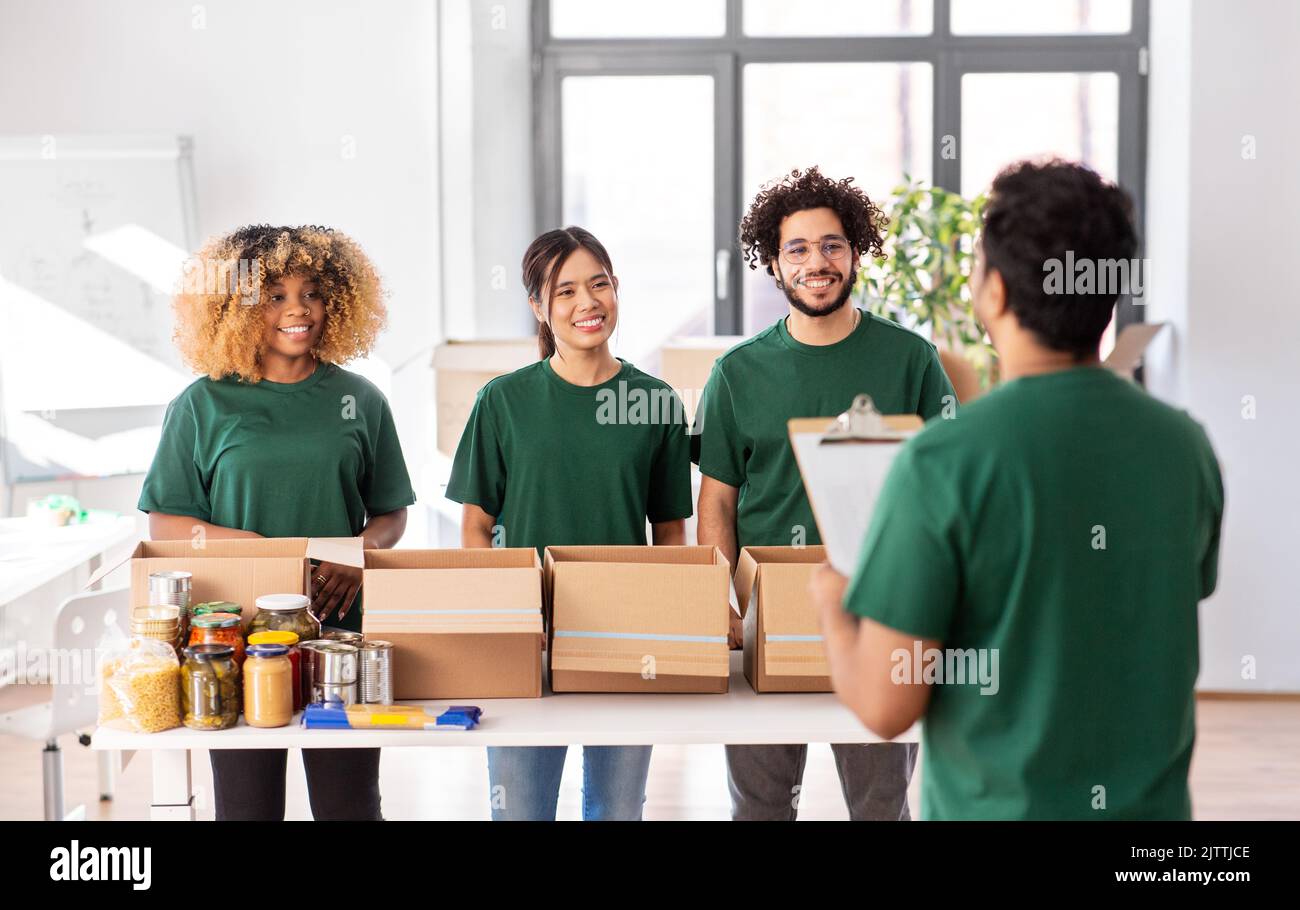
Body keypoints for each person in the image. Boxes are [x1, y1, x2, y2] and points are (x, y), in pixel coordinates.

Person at [814, 159, 1224, 820]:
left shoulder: (945, 460)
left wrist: (834, 602)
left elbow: (887, 705)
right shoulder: (1185, 446)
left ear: (995, 292)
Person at [693, 166, 956, 821]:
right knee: (760, 809)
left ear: (857, 251)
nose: (818, 262)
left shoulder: (911, 359)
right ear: (774, 263)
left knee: (879, 807)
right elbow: (717, 504)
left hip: (882, 618)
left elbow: (949, 490)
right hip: (766, 621)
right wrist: (722, 603)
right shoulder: (736, 373)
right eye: (799, 249)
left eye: (833, 245)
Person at [139, 224, 415, 820]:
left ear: (336, 300)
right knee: (246, 809)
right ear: (237, 307)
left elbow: (392, 513)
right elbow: (166, 522)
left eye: (312, 292)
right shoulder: (202, 403)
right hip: (232, 634)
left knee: (351, 807)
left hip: (337, 634)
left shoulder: (360, 399)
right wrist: (261, 552)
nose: (298, 310)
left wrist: (357, 553)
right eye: (274, 295)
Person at [446, 226, 693, 821]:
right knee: (522, 809)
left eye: (600, 284)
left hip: (627, 637)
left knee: (616, 809)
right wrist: (501, 615)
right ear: (538, 306)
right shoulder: (503, 402)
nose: (588, 303)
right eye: (566, 291)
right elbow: (476, 525)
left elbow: (670, 534)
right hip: (527, 638)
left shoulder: (656, 403)